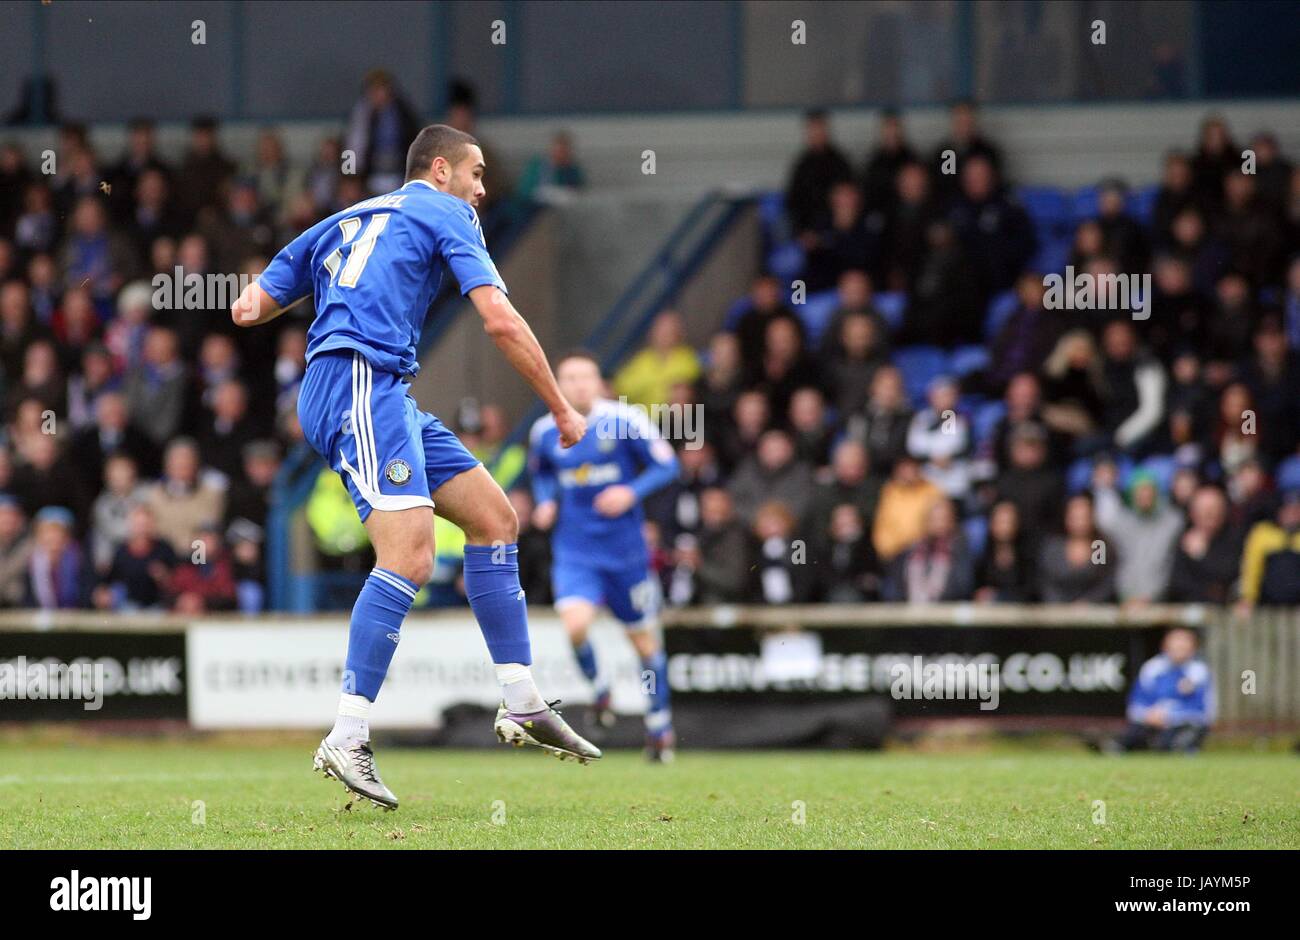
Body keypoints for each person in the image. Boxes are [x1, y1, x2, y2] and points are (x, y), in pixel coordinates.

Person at [231, 123, 602, 810]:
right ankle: (347, 733)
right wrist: (561, 408)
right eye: (477, 173)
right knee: (408, 558)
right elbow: (499, 320)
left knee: (495, 519)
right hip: (361, 384)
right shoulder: (446, 210)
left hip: (368, 387)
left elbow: (248, 305)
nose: (484, 189)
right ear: (440, 170)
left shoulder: (344, 217)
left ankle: (520, 698)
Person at [529, 352, 679, 761]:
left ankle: (659, 725)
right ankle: (600, 690)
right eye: (570, 378)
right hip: (576, 551)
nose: (579, 385)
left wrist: (631, 491)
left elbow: (667, 466)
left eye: (586, 377)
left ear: (599, 383)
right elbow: (541, 473)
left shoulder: (625, 421)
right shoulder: (545, 430)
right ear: (557, 383)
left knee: (644, 644)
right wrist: (545, 502)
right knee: (575, 625)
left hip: (625, 553)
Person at [1112, 628, 1213, 753]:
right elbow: (1135, 704)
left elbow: (1203, 713)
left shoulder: (1199, 672)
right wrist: (1149, 715)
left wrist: (1170, 716)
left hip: (1184, 724)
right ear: (1165, 647)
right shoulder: (1152, 668)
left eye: (1184, 645)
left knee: (1181, 736)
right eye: (1176, 644)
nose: (1180, 647)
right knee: (1134, 732)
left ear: (1193, 648)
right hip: (1152, 723)